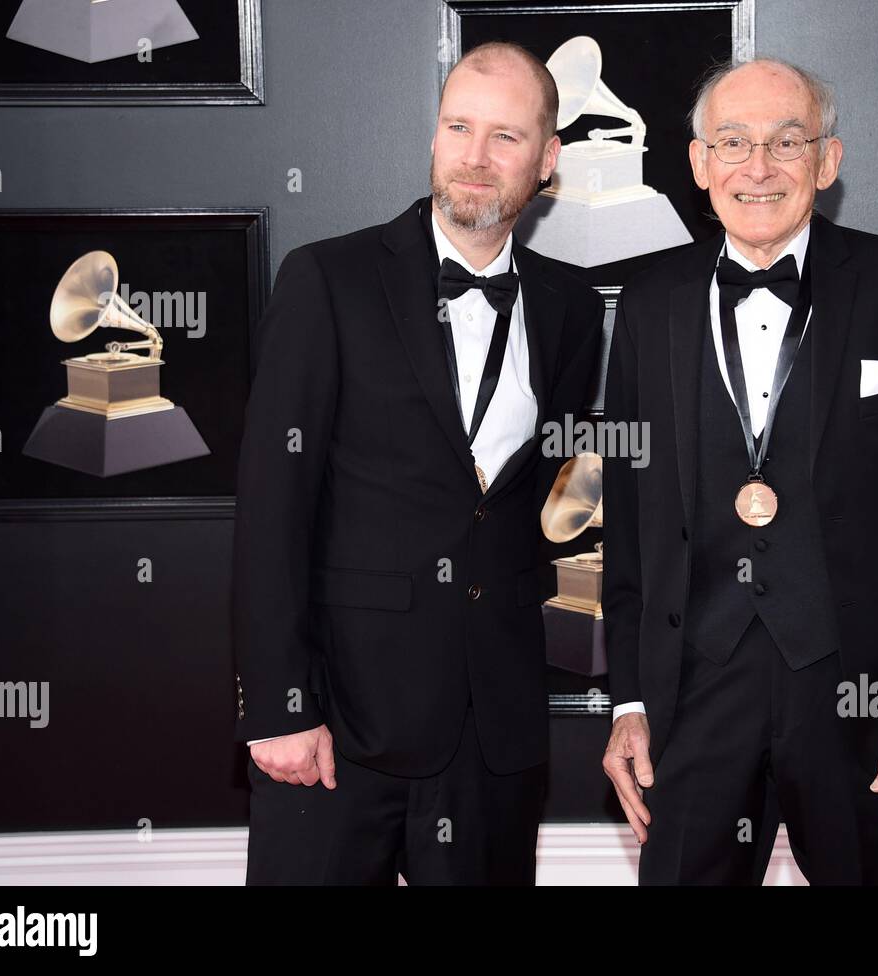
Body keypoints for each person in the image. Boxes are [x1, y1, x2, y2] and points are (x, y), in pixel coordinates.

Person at [600, 58, 878, 884]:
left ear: (829, 160)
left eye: (787, 141)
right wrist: (629, 699)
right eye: (733, 142)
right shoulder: (647, 302)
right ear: (700, 163)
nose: (759, 167)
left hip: (863, 698)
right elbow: (629, 524)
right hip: (693, 694)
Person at [233, 40, 604, 885]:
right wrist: (281, 706)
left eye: (505, 136)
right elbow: (271, 508)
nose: (475, 157)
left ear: (547, 160)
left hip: (493, 730)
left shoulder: (572, 308)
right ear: (433, 138)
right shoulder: (328, 278)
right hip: (336, 725)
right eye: (457, 127)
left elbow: (548, 503)